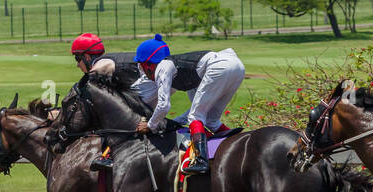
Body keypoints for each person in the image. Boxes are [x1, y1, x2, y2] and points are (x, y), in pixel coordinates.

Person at [131, 34, 246, 176]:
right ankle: (240, 144)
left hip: (220, 66)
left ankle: (200, 160)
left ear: (148, 64)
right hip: (237, 66)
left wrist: (150, 125)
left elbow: (164, 105)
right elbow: (194, 109)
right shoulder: (186, 74)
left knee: (196, 117)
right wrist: (175, 122)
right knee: (211, 120)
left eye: (141, 66)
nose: (143, 72)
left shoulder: (162, 66)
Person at [69, 32, 142, 171]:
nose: (77, 65)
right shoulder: (107, 61)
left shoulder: (99, 69)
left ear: (87, 56)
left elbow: (82, 95)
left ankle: (109, 155)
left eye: (77, 59)